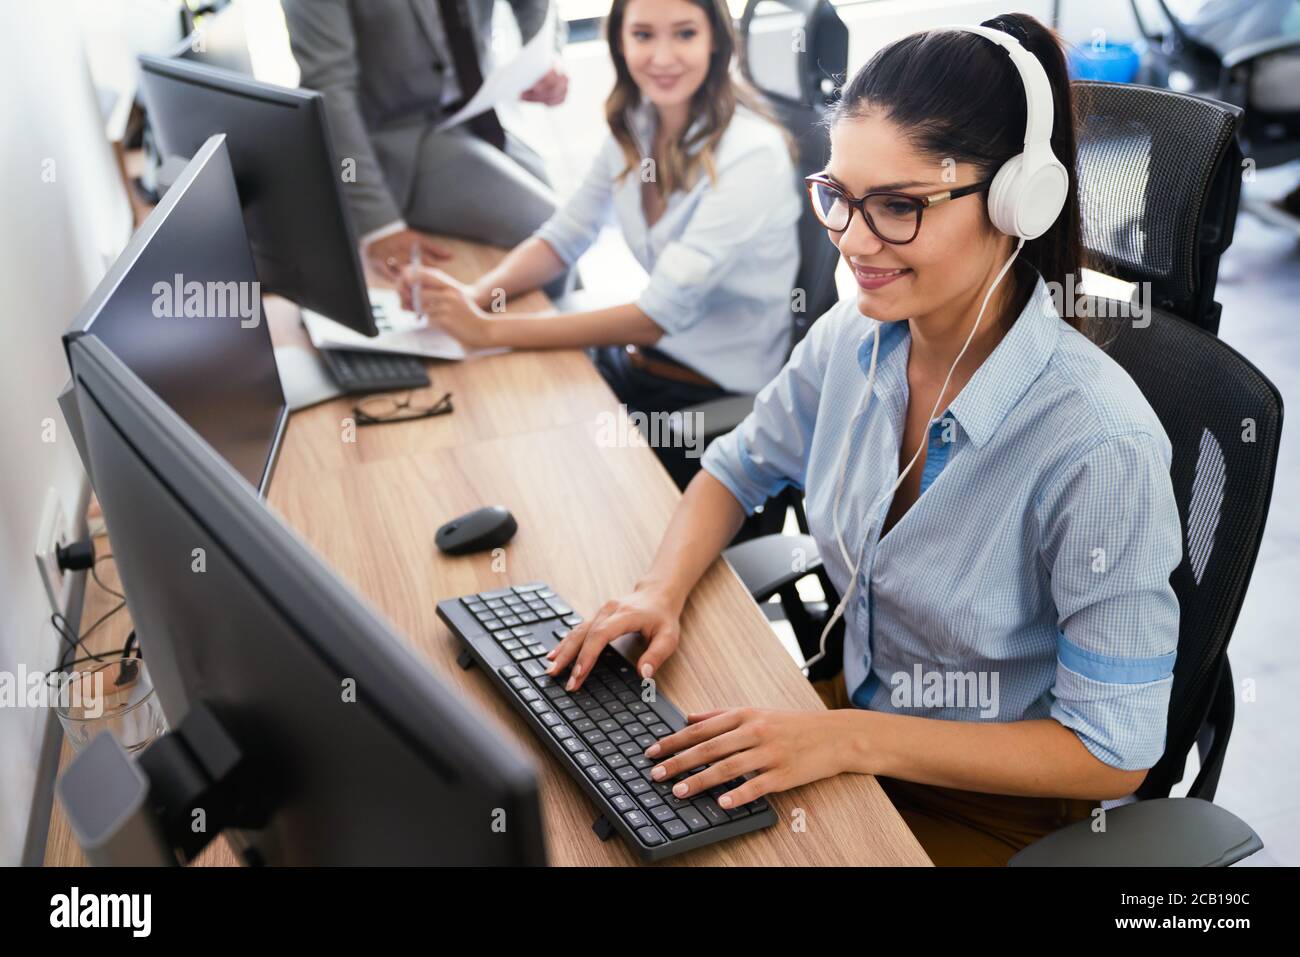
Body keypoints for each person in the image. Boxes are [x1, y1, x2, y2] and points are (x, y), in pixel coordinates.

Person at [541, 13, 1184, 866]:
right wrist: (658, 590)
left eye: (898, 207)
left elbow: (1116, 750)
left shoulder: (1097, 445)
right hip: (847, 716)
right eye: (840, 195)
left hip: (989, 806)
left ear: (1017, 201)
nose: (850, 238)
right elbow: (735, 467)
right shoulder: (857, 336)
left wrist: (848, 739)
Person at [399, 0, 801, 485]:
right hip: (643, 364)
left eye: (685, 34)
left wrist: (487, 331)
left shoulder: (752, 153)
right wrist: (473, 296)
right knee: (490, 417)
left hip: (705, 402)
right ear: (620, 42)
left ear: (716, 39)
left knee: (540, 469)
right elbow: (565, 236)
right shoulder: (637, 122)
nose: (663, 56)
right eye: (644, 35)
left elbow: (655, 318)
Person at [282, 0, 569, 286]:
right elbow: (330, 94)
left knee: (570, 236)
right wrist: (378, 225)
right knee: (550, 234)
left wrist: (545, 57)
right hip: (397, 138)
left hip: (481, 111)